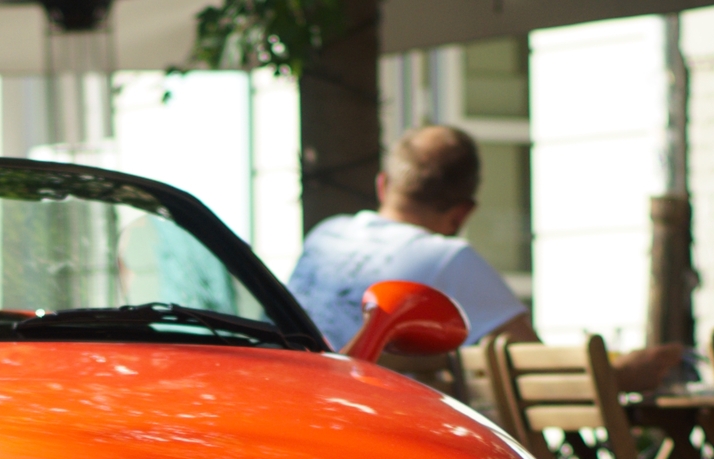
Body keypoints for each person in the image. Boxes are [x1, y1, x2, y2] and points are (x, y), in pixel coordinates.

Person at [288, 125, 682, 388]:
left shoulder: (328, 233)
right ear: (463, 212)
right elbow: (539, 372)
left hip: (294, 406)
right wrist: (626, 374)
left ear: (383, 185)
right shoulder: (446, 259)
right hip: (377, 439)